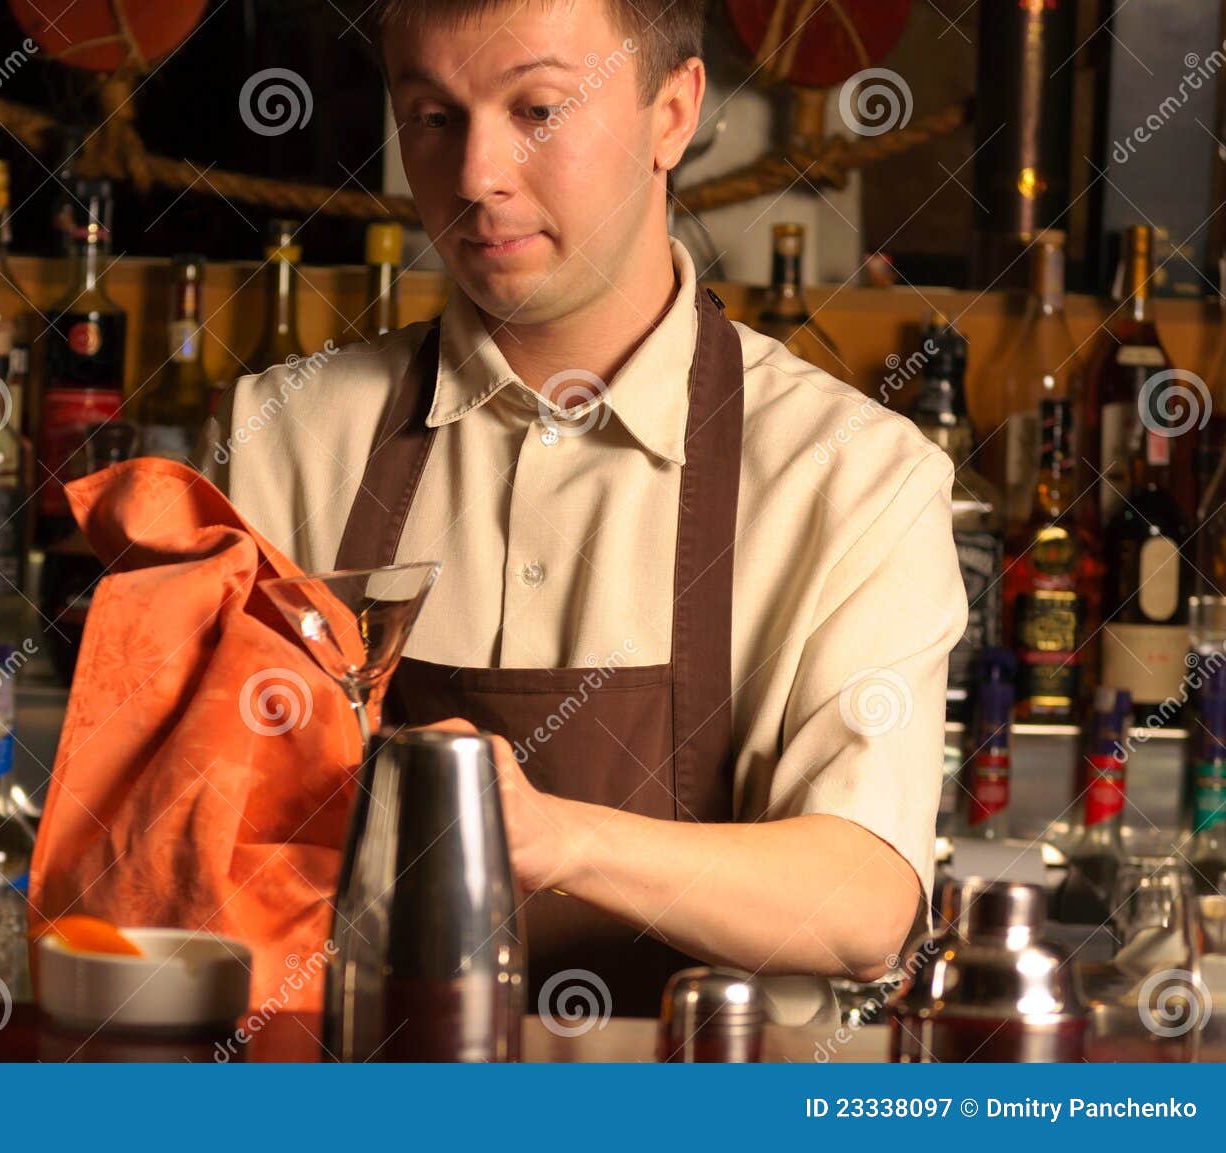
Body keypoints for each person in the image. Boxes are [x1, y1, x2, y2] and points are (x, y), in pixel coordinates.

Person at [200, 0, 967, 1017]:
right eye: (433, 116)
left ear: (672, 112)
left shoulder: (852, 479)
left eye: (540, 109)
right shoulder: (278, 440)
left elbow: (864, 899)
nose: (476, 175)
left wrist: (556, 838)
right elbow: (189, 845)